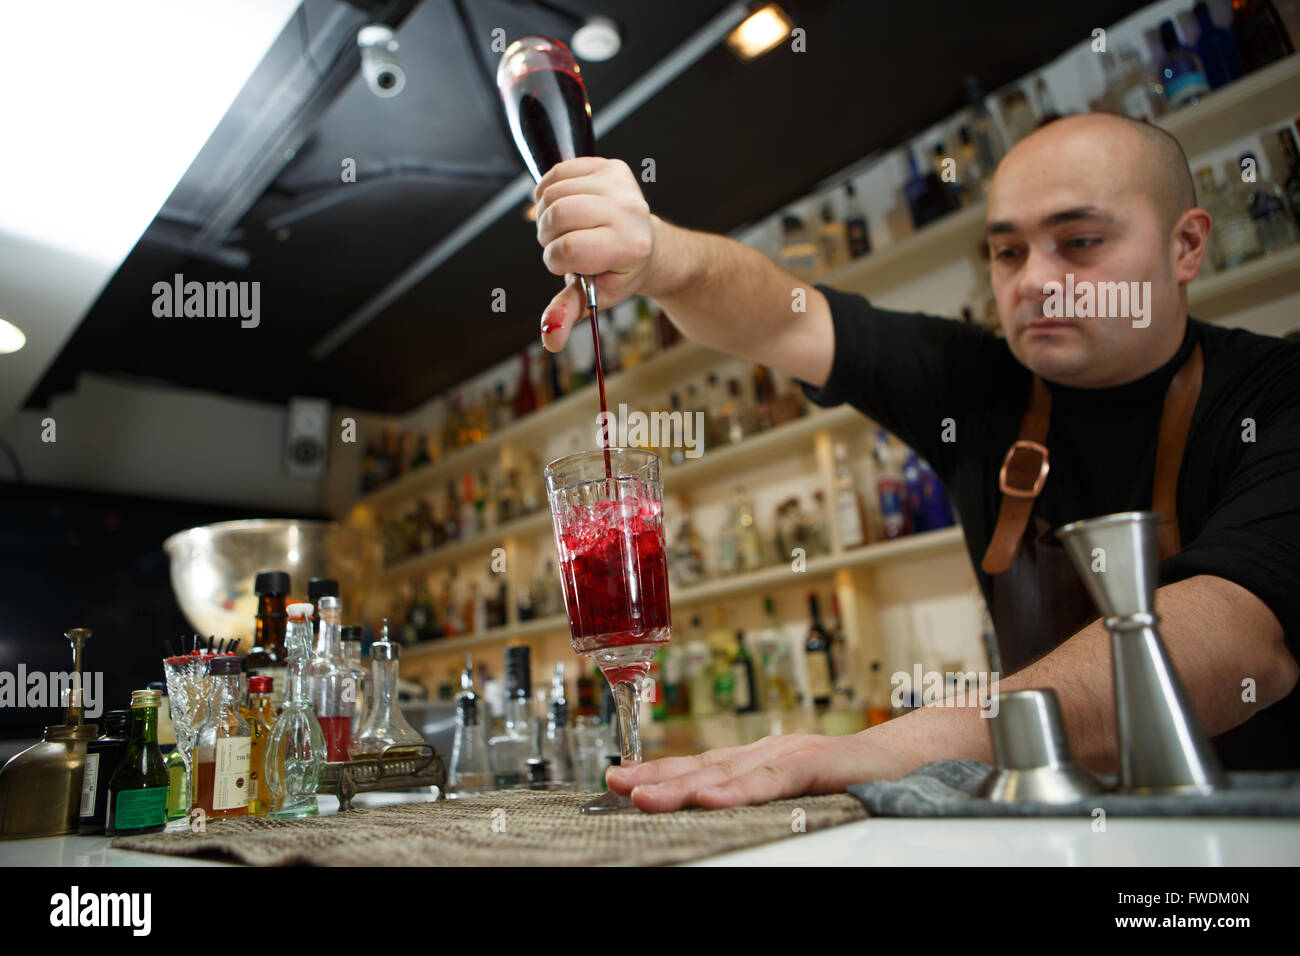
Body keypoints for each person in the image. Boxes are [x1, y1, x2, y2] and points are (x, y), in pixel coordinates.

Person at [531, 113, 1300, 812]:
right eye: (1005, 251)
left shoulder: (1281, 390)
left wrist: (889, 745)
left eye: (1081, 241)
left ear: (1186, 245)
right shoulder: (978, 385)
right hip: (1047, 827)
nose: (1031, 280)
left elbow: (1238, 641)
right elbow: (782, 314)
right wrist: (662, 255)